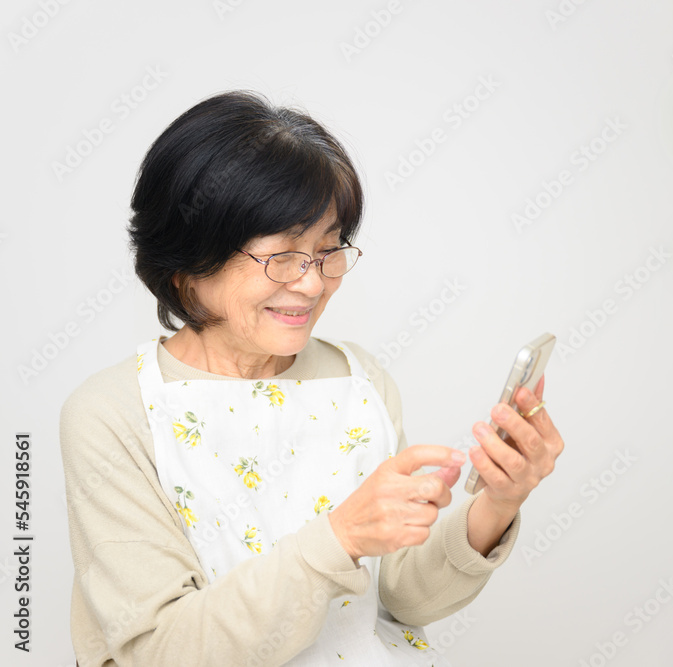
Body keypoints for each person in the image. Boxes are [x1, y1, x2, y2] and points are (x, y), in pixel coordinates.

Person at [58, 90, 564, 666]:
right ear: (186, 264)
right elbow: (160, 650)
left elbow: (398, 600)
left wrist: (497, 502)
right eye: (282, 256)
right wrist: (339, 537)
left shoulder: (359, 380)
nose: (312, 283)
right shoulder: (113, 412)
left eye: (328, 251)